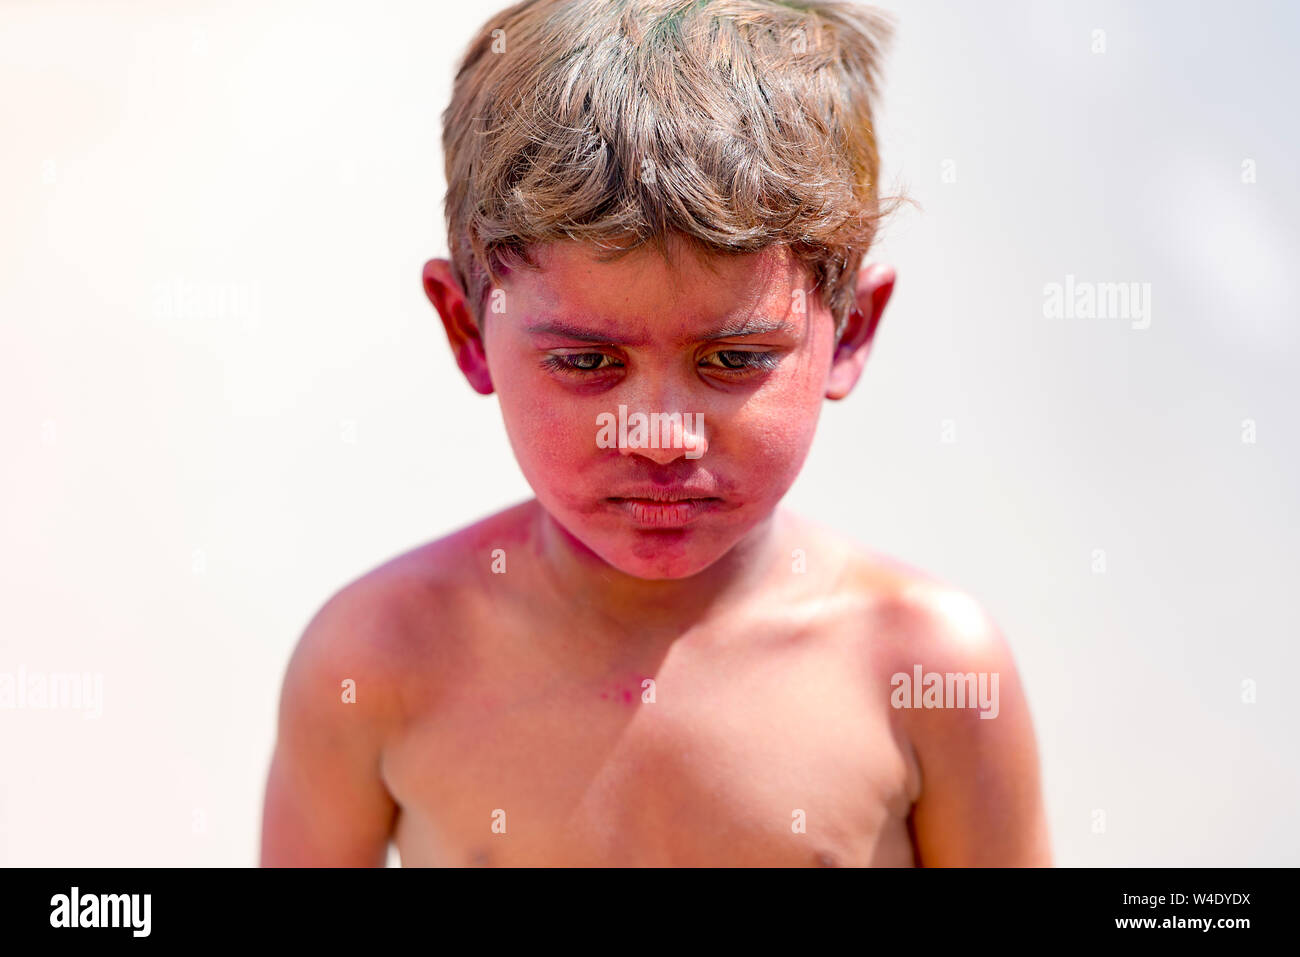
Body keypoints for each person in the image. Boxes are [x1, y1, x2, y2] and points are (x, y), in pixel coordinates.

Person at [260, 0, 1051, 867]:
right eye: (587, 362)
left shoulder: (928, 674)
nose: (661, 435)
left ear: (851, 329)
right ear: (466, 327)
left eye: (734, 358)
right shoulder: (376, 662)